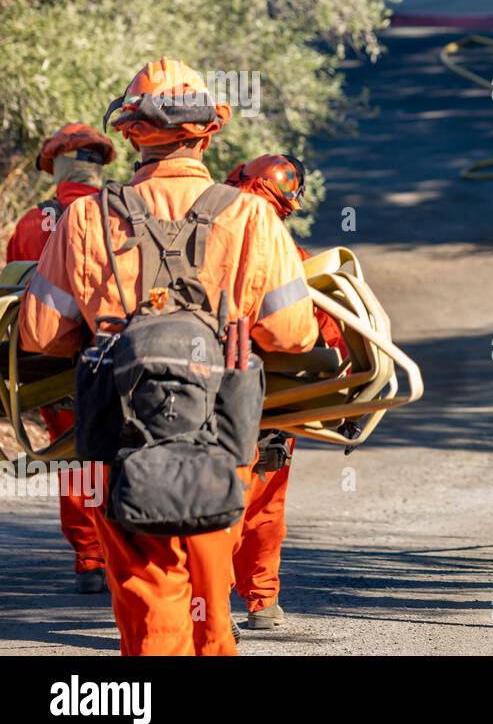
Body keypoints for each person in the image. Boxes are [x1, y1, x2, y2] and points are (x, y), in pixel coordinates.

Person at [19, 57, 318, 655]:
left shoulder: (84, 217)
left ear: (131, 133)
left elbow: (40, 333)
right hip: (222, 440)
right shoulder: (253, 215)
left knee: (150, 596)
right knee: (212, 593)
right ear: (208, 132)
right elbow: (293, 335)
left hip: (120, 438)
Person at [224, 153, 347, 629]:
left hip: (202, 399)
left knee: (215, 505)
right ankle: (262, 604)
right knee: (263, 504)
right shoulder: (287, 252)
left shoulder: (200, 229)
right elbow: (327, 327)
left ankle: (206, 605)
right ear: (286, 200)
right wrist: (344, 398)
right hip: (271, 405)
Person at [4, 123, 115, 593]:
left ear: (54, 168)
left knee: (73, 455)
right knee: (119, 453)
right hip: (114, 356)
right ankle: (125, 553)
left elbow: (12, 297)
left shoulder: (33, 223)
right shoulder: (124, 213)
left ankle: (89, 558)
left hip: (51, 365)